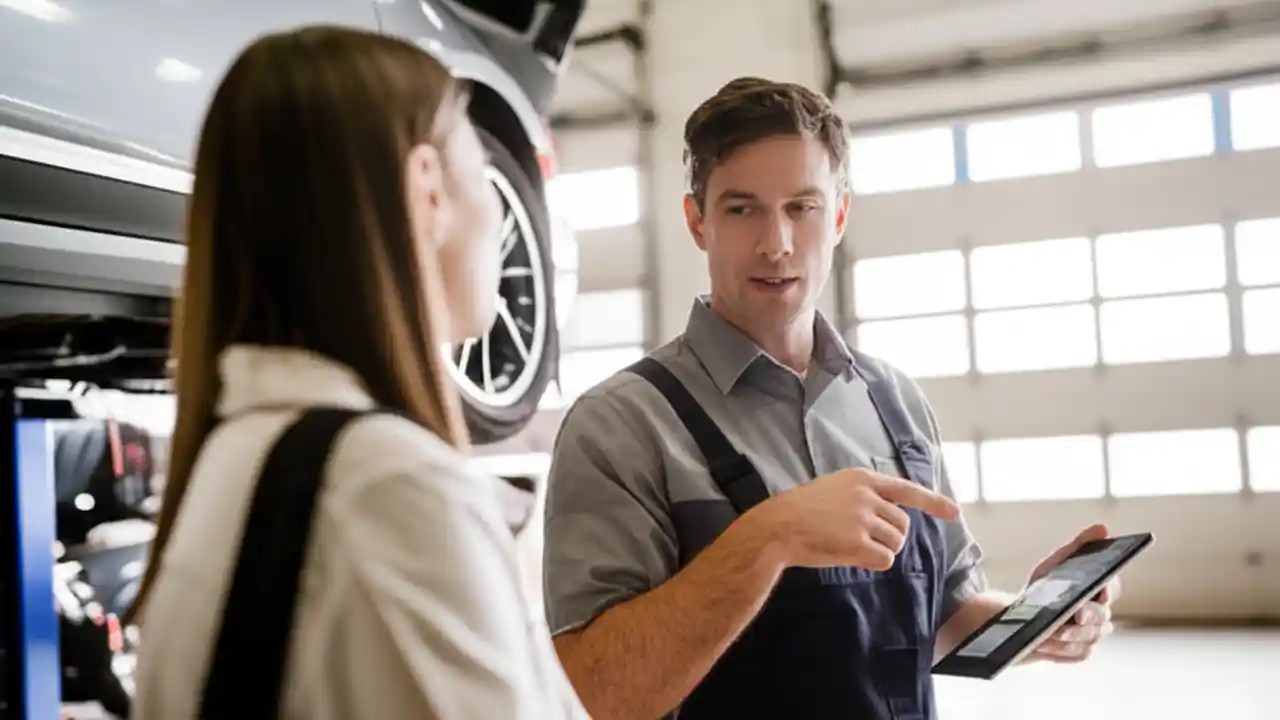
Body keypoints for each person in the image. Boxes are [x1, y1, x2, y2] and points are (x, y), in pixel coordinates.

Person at [543, 77, 1121, 720]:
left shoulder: (895, 403)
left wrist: (1035, 622)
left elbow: (941, 619)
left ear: (839, 216)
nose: (776, 243)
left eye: (802, 208)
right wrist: (767, 538)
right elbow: (594, 692)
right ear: (697, 221)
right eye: (741, 209)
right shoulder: (623, 425)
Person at [130, 26, 584, 720]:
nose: (500, 214)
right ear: (427, 191)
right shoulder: (389, 486)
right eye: (482, 174)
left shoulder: (236, 455)